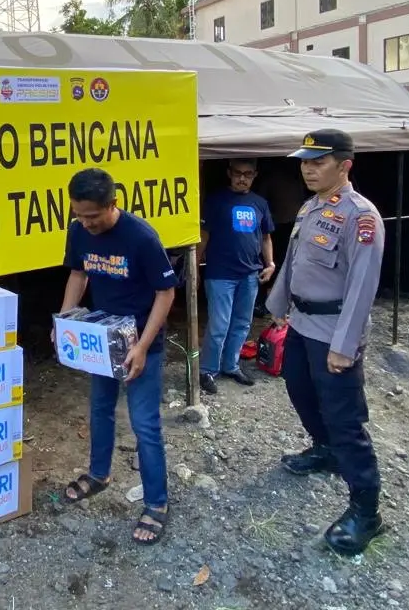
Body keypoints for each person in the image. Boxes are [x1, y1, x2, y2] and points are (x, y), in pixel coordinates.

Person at [264, 128, 386, 557]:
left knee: (344, 418)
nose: (308, 168)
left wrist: (344, 345)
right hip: (301, 323)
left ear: (345, 165)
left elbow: (362, 286)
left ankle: (366, 511)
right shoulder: (311, 206)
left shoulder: (361, 216)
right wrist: (278, 303)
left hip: (334, 330)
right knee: (299, 390)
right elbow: (295, 261)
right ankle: (325, 451)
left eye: (318, 162)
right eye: (304, 161)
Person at [56, 168, 177, 545]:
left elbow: (165, 293)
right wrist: (65, 320)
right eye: (79, 215)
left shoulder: (141, 237)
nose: (86, 223)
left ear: (113, 205)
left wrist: (142, 346)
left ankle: (157, 502)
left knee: (145, 424)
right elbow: (78, 274)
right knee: (99, 409)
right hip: (102, 337)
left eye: (93, 216)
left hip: (141, 345)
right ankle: (99, 474)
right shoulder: (78, 231)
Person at [197, 158, 276, 394]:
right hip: (220, 273)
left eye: (248, 174)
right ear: (229, 173)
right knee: (219, 325)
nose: (242, 178)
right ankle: (207, 370)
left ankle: (231, 366)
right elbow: (204, 235)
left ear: (255, 175)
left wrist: (270, 263)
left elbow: (265, 237)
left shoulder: (260, 203)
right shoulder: (215, 201)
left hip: (250, 274)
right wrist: (195, 267)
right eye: (238, 173)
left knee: (242, 323)